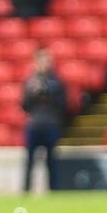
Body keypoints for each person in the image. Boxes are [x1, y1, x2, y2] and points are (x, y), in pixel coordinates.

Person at [20, 49, 68, 194]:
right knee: (29, 160)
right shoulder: (30, 82)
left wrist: (49, 96)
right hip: (34, 125)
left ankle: (53, 191)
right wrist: (33, 95)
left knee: (52, 161)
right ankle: (26, 191)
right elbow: (24, 105)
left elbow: (64, 105)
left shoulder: (57, 82)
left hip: (51, 124)